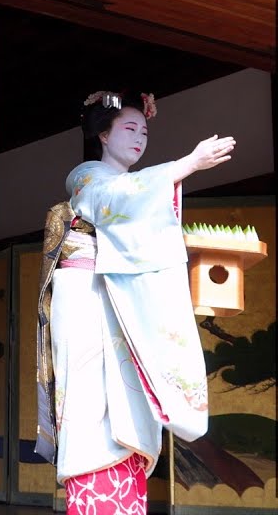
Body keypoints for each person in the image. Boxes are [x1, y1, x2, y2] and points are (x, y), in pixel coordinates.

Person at [35, 90, 234, 514]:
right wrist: (186, 165)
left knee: (126, 405)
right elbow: (119, 200)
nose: (140, 137)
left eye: (144, 130)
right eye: (129, 128)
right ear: (102, 135)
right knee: (93, 413)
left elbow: (136, 204)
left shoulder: (125, 184)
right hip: (86, 302)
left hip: (111, 299)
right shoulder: (87, 178)